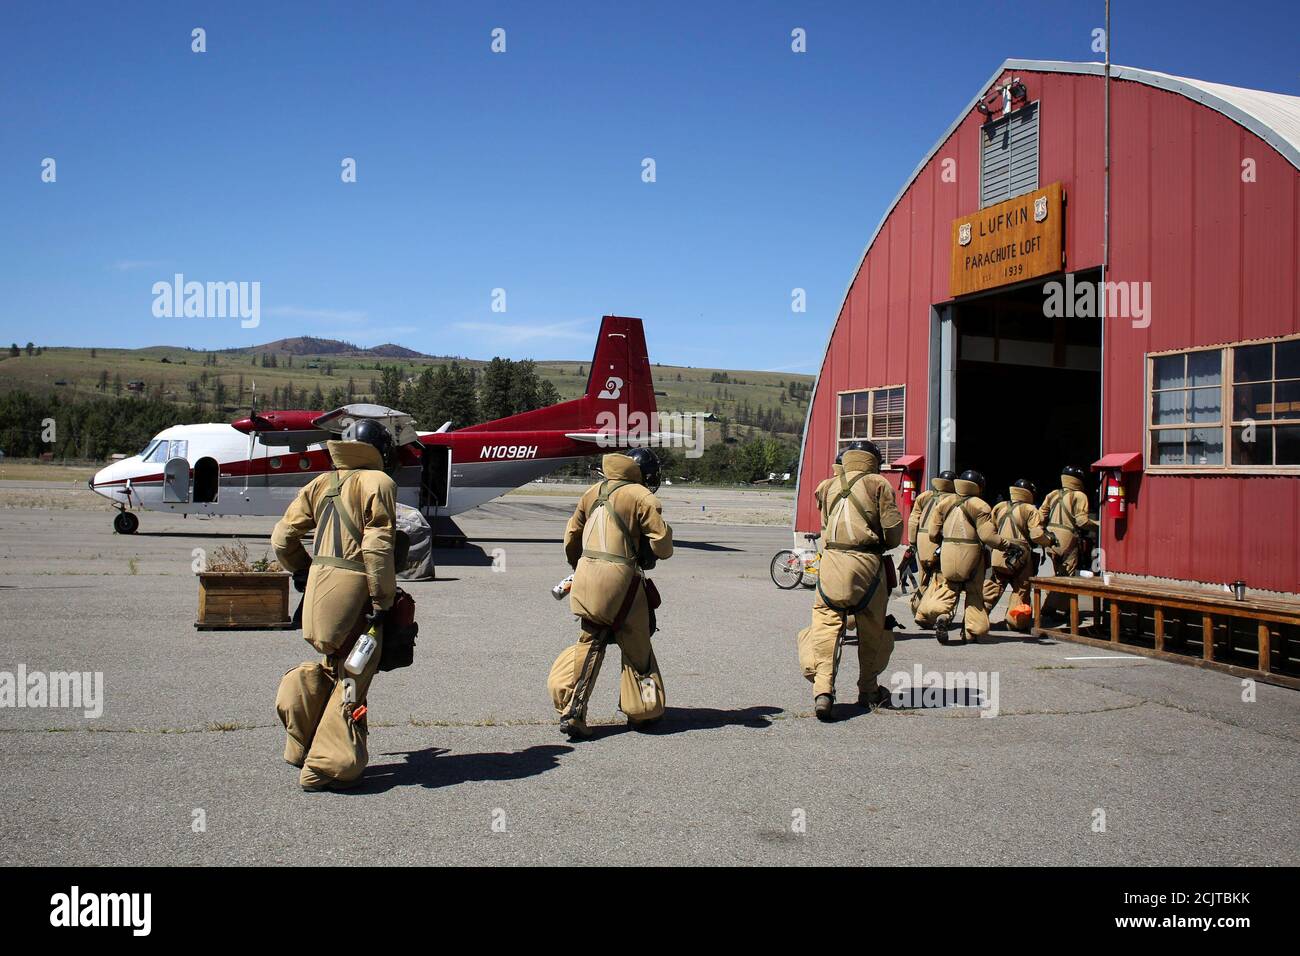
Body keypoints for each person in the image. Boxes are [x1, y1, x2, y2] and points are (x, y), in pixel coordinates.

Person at [271, 421, 397, 791]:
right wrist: (382, 599)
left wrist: (302, 569)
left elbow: (282, 538)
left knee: (330, 664)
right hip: (353, 591)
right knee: (354, 675)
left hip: (317, 591)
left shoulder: (320, 483)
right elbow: (377, 548)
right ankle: (328, 765)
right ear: (378, 450)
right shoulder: (379, 483)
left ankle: (300, 744)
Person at [548, 448, 673, 739]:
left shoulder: (592, 492)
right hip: (624, 583)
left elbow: (571, 537)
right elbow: (662, 544)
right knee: (639, 653)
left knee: (589, 643)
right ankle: (644, 709)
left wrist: (583, 566)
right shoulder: (642, 496)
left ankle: (571, 708)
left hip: (586, 576)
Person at [796, 441, 903, 721]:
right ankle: (868, 690)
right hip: (867, 564)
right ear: (874, 460)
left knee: (825, 624)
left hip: (831, 562)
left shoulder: (827, 486)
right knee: (872, 629)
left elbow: (824, 526)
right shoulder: (878, 484)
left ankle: (823, 690)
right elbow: (893, 531)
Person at [917, 469, 1022, 643]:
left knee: (949, 588)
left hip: (948, 555)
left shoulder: (945, 503)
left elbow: (933, 533)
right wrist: (1008, 545)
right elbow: (988, 536)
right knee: (974, 594)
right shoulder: (980, 506)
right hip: (971, 556)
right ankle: (973, 630)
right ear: (979, 487)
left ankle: (941, 614)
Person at [982, 478, 1051, 633]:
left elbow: (989, 530)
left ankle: (978, 617)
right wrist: (1049, 541)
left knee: (994, 585)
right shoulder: (1030, 509)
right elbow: (1036, 535)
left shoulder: (999, 507)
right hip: (1021, 554)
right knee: (1022, 589)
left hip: (999, 552)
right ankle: (1016, 622)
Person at [1039, 465, 1096, 614]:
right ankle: (1059, 609)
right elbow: (1082, 521)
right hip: (1068, 539)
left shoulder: (1053, 494)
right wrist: (1099, 526)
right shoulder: (1079, 496)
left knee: (1058, 574)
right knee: (1067, 577)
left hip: (1050, 539)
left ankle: (1053, 606)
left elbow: (1040, 516)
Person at [906, 469, 957, 624]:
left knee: (924, 577)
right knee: (940, 578)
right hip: (938, 540)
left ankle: (917, 607)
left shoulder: (924, 496)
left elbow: (913, 520)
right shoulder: (954, 499)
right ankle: (930, 614)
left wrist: (912, 542)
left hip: (922, 540)